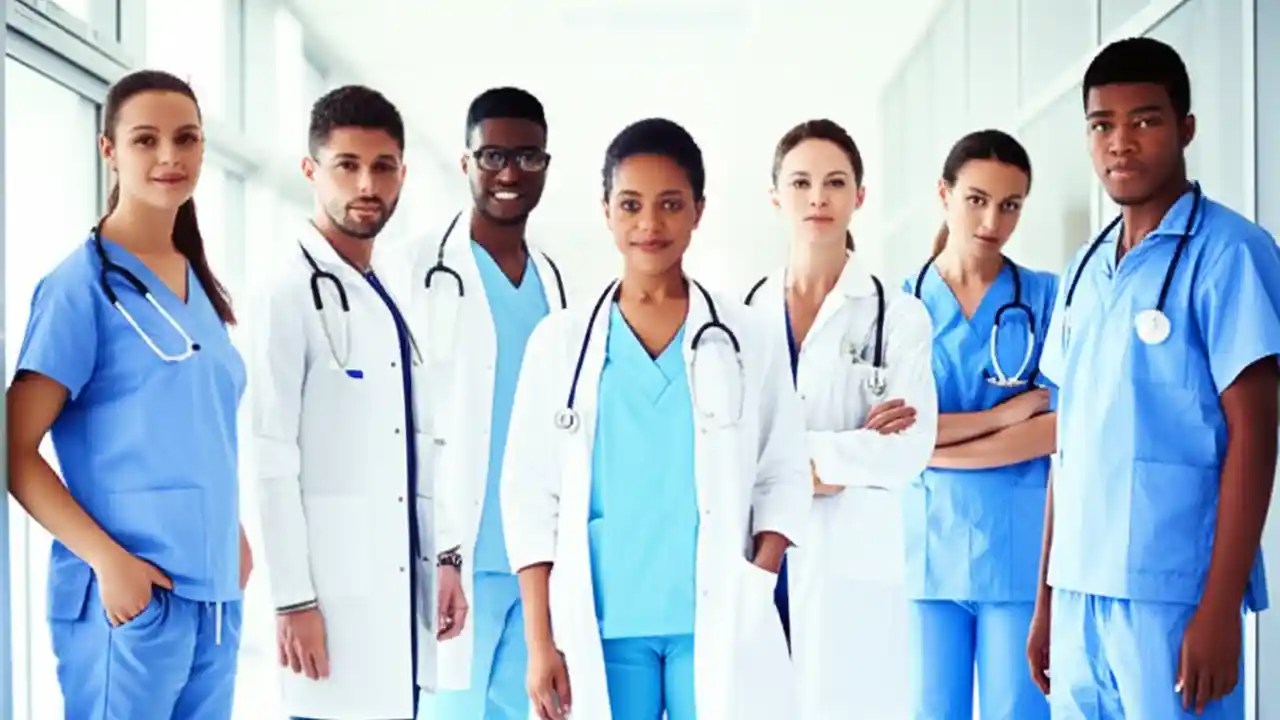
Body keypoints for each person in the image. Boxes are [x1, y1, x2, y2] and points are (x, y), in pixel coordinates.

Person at [499, 117, 811, 720]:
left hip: (716, 618)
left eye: (670, 204)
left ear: (698, 209)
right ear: (606, 210)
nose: (649, 224)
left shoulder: (749, 337)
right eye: (631, 204)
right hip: (605, 622)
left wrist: (756, 580)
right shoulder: (559, 343)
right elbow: (529, 498)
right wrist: (540, 642)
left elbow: (783, 474)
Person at [1033, 37, 1280, 719]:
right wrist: (1047, 596)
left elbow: (1256, 435)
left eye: (1144, 121)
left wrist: (1220, 606)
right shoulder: (1083, 268)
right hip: (1079, 589)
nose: (1121, 142)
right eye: (1102, 125)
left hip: (1173, 593)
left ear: (1186, 129)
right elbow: (1068, 442)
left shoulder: (1230, 253)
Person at [5, 69, 250, 719]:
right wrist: (108, 562)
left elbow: (196, 432)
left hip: (216, 598)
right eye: (145, 140)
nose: (169, 156)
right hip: (131, 600)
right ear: (109, 150)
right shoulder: (78, 287)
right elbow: (15, 450)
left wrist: (235, 535)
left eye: (186, 138)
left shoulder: (197, 283)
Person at [250, 85, 462, 720]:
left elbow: (418, 442)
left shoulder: (387, 288)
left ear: (403, 173)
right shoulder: (285, 292)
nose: (367, 184)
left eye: (383, 166)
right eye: (347, 165)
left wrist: (444, 556)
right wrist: (291, 600)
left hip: (399, 598)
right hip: (332, 605)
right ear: (312, 171)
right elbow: (266, 457)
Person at [743, 118, 937, 719]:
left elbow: (908, 450)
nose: (818, 197)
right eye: (800, 182)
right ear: (776, 197)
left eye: (835, 182)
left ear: (860, 196)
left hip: (847, 567)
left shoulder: (898, 317)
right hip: (759, 559)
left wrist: (785, 463)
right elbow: (728, 447)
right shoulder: (741, 318)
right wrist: (848, 450)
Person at [409, 86, 567, 720]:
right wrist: (441, 550)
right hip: (455, 553)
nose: (509, 173)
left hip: (530, 555)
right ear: (465, 162)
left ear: (545, 167)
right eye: (493, 155)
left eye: (528, 158)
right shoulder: (417, 268)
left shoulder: (553, 281)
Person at [900, 129, 1057, 720]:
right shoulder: (898, 306)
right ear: (944, 193)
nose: (993, 219)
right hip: (924, 553)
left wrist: (928, 443)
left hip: (1016, 555)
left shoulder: (1046, 298)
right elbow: (883, 435)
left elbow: (1055, 429)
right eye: (976, 199)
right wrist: (1004, 416)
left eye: (1011, 204)